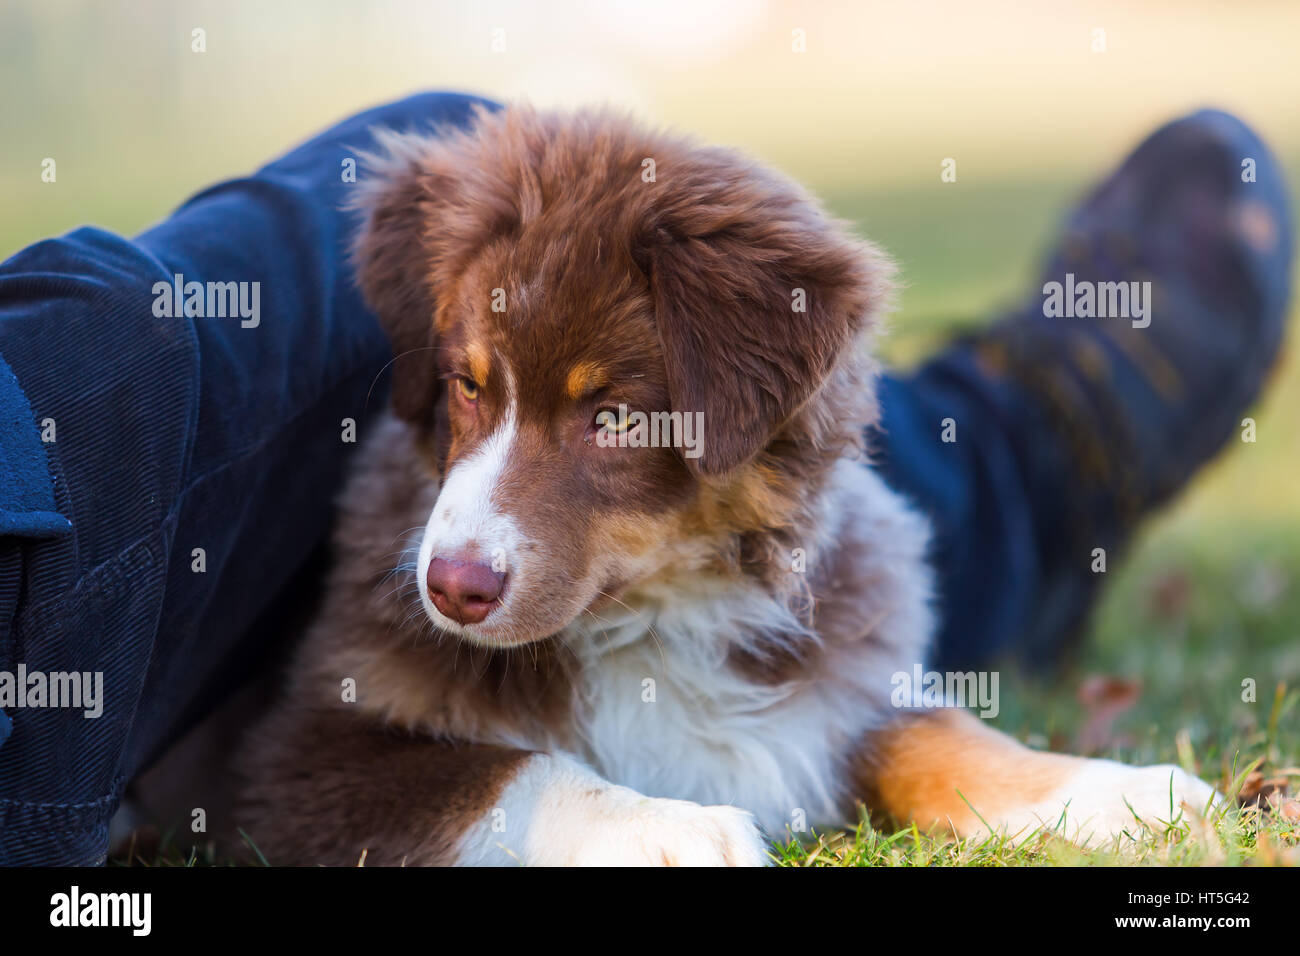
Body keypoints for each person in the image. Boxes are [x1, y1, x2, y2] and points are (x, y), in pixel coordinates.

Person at [0, 93, 1290, 865]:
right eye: (467, 386)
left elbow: (839, 724)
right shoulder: (410, 611)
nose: (468, 539)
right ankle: (1010, 464)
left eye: (606, 417)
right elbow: (312, 785)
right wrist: (554, 818)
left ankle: (998, 450)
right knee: (129, 346)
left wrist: (965, 771)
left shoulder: (753, 395)